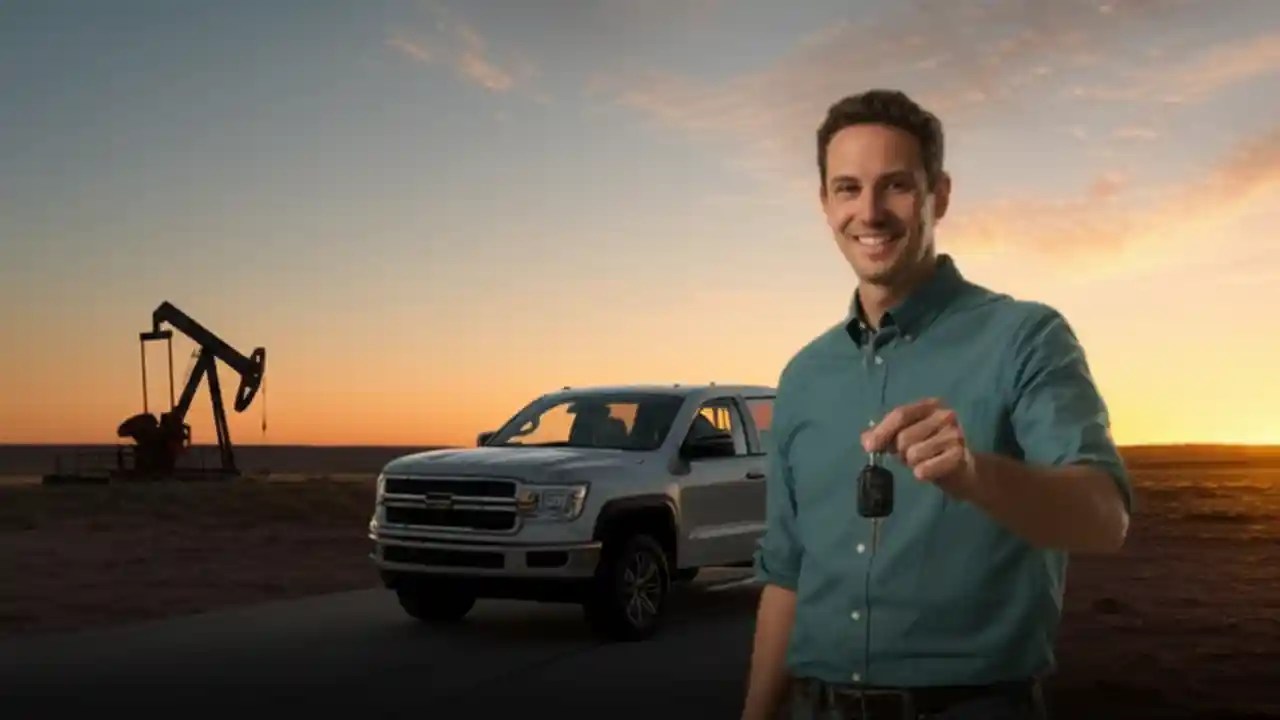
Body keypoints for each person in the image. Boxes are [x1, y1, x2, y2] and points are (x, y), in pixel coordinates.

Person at [739, 89, 1134, 720]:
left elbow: (1104, 519)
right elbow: (787, 575)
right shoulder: (804, 376)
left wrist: (977, 476)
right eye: (847, 188)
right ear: (825, 204)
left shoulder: (1026, 338)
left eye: (895, 185)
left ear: (939, 195)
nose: (870, 212)